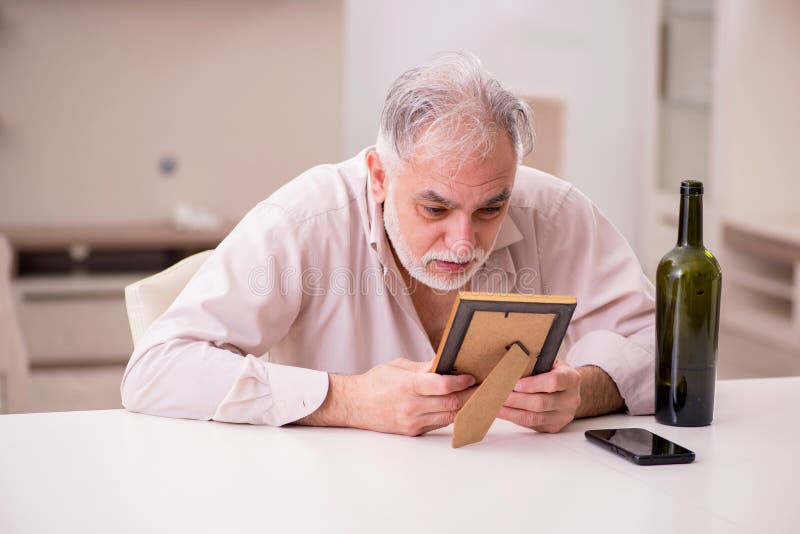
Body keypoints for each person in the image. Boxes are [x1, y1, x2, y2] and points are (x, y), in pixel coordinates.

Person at [121, 51, 655, 436]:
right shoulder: (304, 220)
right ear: (379, 177)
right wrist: (345, 400)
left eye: (491, 207)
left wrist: (586, 389)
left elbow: (667, 346)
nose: (464, 242)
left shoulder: (553, 211)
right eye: (435, 208)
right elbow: (156, 371)